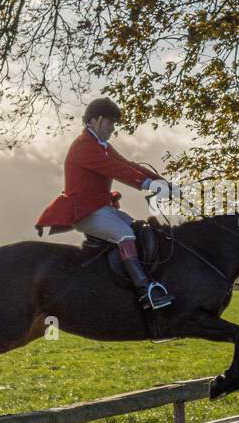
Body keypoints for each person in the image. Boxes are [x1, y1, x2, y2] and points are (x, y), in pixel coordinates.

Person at [34, 98, 178, 310]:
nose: (112, 128)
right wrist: (148, 184)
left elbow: (127, 165)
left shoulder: (103, 146)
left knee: (140, 230)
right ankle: (145, 290)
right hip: (85, 213)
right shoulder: (83, 146)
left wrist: (163, 183)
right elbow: (115, 170)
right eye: (110, 123)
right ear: (97, 120)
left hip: (102, 209)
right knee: (125, 235)